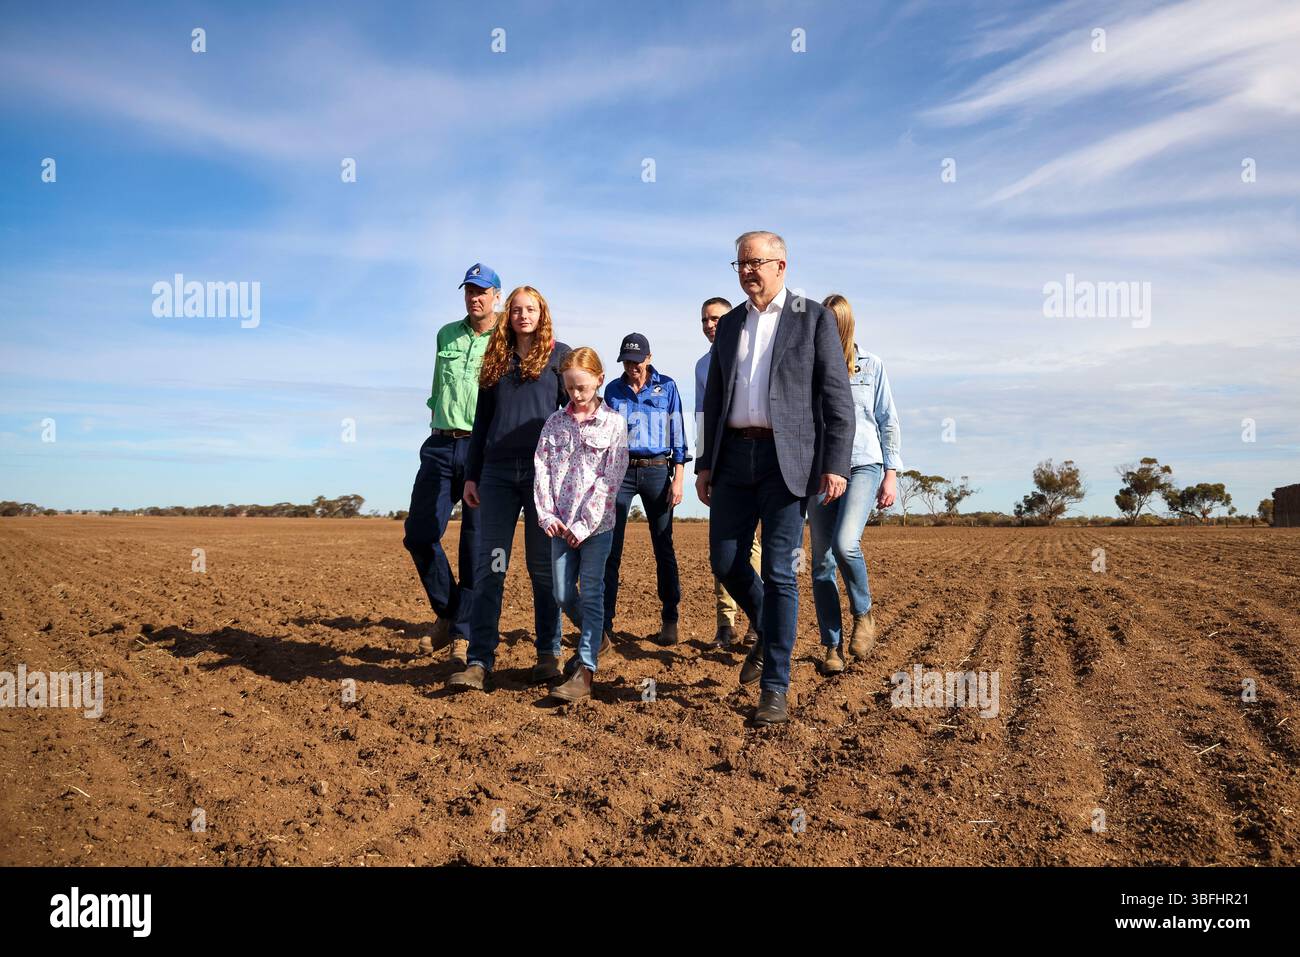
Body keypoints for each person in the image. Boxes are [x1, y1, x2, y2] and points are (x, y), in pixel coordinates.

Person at [696, 231, 855, 727]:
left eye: (756, 262)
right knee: (723, 560)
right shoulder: (731, 325)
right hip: (733, 460)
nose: (747, 271)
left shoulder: (813, 318)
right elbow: (716, 398)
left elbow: (836, 398)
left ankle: (775, 686)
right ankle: (766, 627)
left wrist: (835, 463)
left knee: (781, 573)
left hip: (788, 462)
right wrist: (705, 461)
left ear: (782, 265)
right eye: (740, 263)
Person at [447, 286, 570, 693]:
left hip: (541, 477)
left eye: (530, 309)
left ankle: (548, 655)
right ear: (507, 315)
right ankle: (479, 660)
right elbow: (482, 422)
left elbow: (575, 415)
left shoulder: (558, 357)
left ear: (542, 313)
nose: (522, 316)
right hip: (497, 478)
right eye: (516, 310)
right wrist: (471, 474)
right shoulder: (495, 358)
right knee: (491, 569)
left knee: (543, 571)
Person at [403, 263, 498, 667]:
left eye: (481, 291)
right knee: (419, 534)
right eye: (468, 291)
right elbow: (436, 390)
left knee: (474, 548)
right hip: (441, 444)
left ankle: (461, 635)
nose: (474, 297)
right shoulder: (446, 334)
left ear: (497, 295)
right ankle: (451, 608)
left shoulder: (506, 342)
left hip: (483, 450)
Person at [807, 294, 901, 675]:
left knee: (845, 544)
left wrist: (891, 473)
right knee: (821, 563)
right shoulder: (809, 368)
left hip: (863, 463)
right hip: (820, 469)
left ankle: (864, 614)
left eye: (830, 324)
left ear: (843, 325)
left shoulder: (871, 365)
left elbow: (886, 419)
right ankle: (832, 645)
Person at [534, 347, 629, 703]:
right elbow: (542, 469)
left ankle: (585, 671)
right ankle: (599, 637)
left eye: (583, 387)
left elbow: (611, 478)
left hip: (597, 527)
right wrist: (547, 514)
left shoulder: (614, 424)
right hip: (560, 525)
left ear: (599, 381)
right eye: (570, 387)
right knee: (561, 593)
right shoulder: (554, 423)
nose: (576, 394)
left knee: (591, 593)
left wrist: (585, 524)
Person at [601, 333, 690, 646]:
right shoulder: (612, 390)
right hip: (621, 472)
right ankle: (604, 626)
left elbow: (678, 433)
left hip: (656, 471)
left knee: (663, 547)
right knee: (610, 550)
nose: (632, 367)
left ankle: (670, 619)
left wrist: (678, 478)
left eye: (637, 361)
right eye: (626, 361)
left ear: (648, 359)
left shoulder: (666, 387)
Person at [695, 297, 760, 647]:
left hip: (752, 458)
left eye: (716, 318)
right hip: (721, 461)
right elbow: (702, 418)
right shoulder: (701, 366)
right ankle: (725, 623)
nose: (710, 325)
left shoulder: (749, 352)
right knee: (722, 547)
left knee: (749, 545)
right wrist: (703, 465)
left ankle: (756, 620)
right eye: (705, 319)